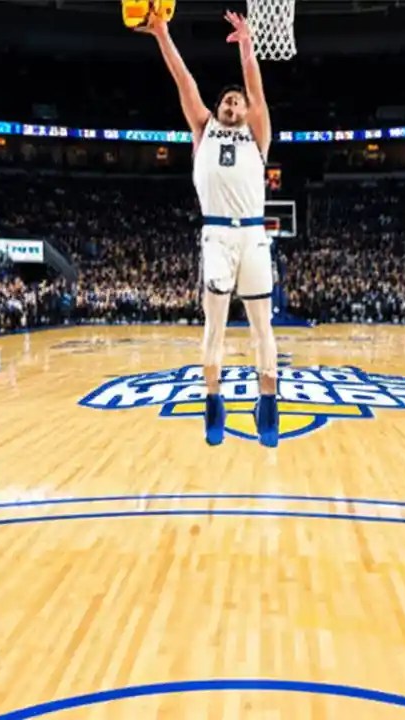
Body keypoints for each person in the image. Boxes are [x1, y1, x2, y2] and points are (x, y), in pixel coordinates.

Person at [140, 10, 280, 447]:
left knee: (263, 327)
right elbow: (185, 82)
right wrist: (162, 33)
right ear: (219, 108)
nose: (234, 104)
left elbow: (255, 88)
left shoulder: (258, 133)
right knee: (213, 327)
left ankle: (268, 406)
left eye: (238, 102)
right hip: (217, 235)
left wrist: (245, 44)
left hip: (254, 235)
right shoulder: (204, 127)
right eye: (228, 101)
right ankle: (214, 404)